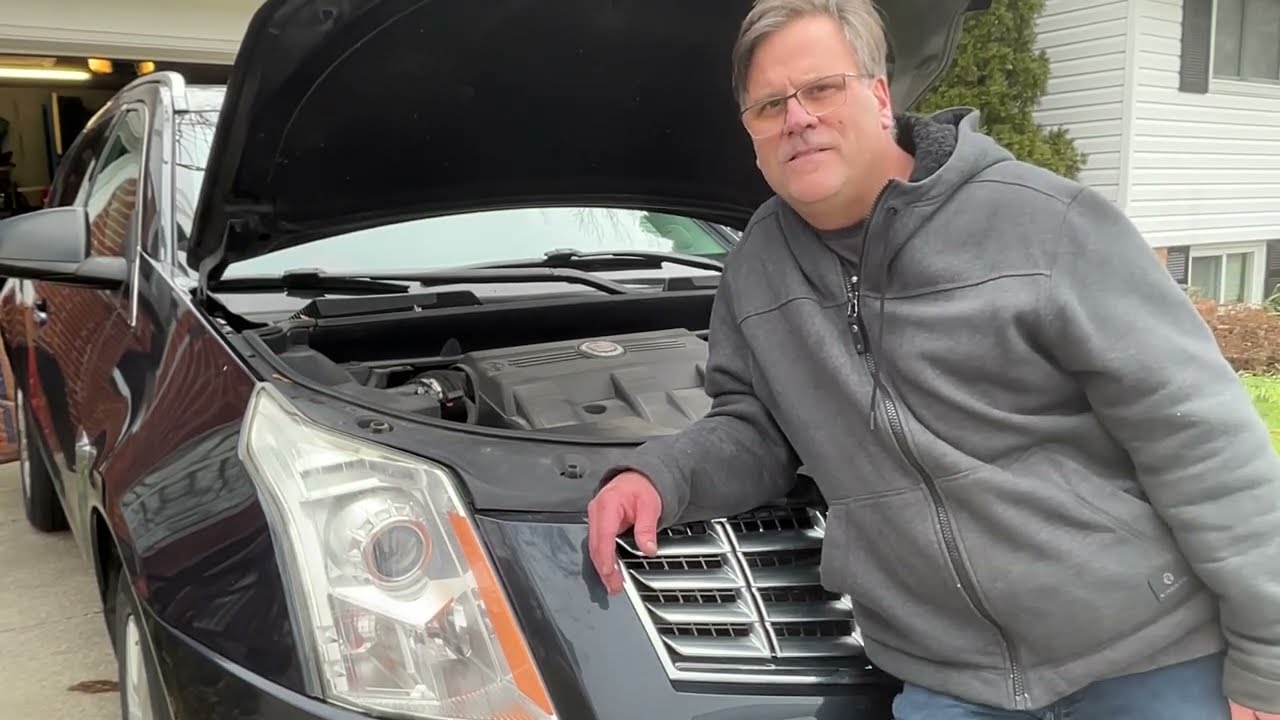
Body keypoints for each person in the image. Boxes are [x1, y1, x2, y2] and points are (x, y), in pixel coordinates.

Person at [584, 1, 1280, 718]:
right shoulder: (755, 271)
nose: (797, 118)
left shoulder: (1048, 226)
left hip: (1144, 655)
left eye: (822, 88)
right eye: (770, 105)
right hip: (951, 681)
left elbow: (1203, 442)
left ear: (880, 96)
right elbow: (756, 429)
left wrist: (1269, 659)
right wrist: (662, 474)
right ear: (752, 132)